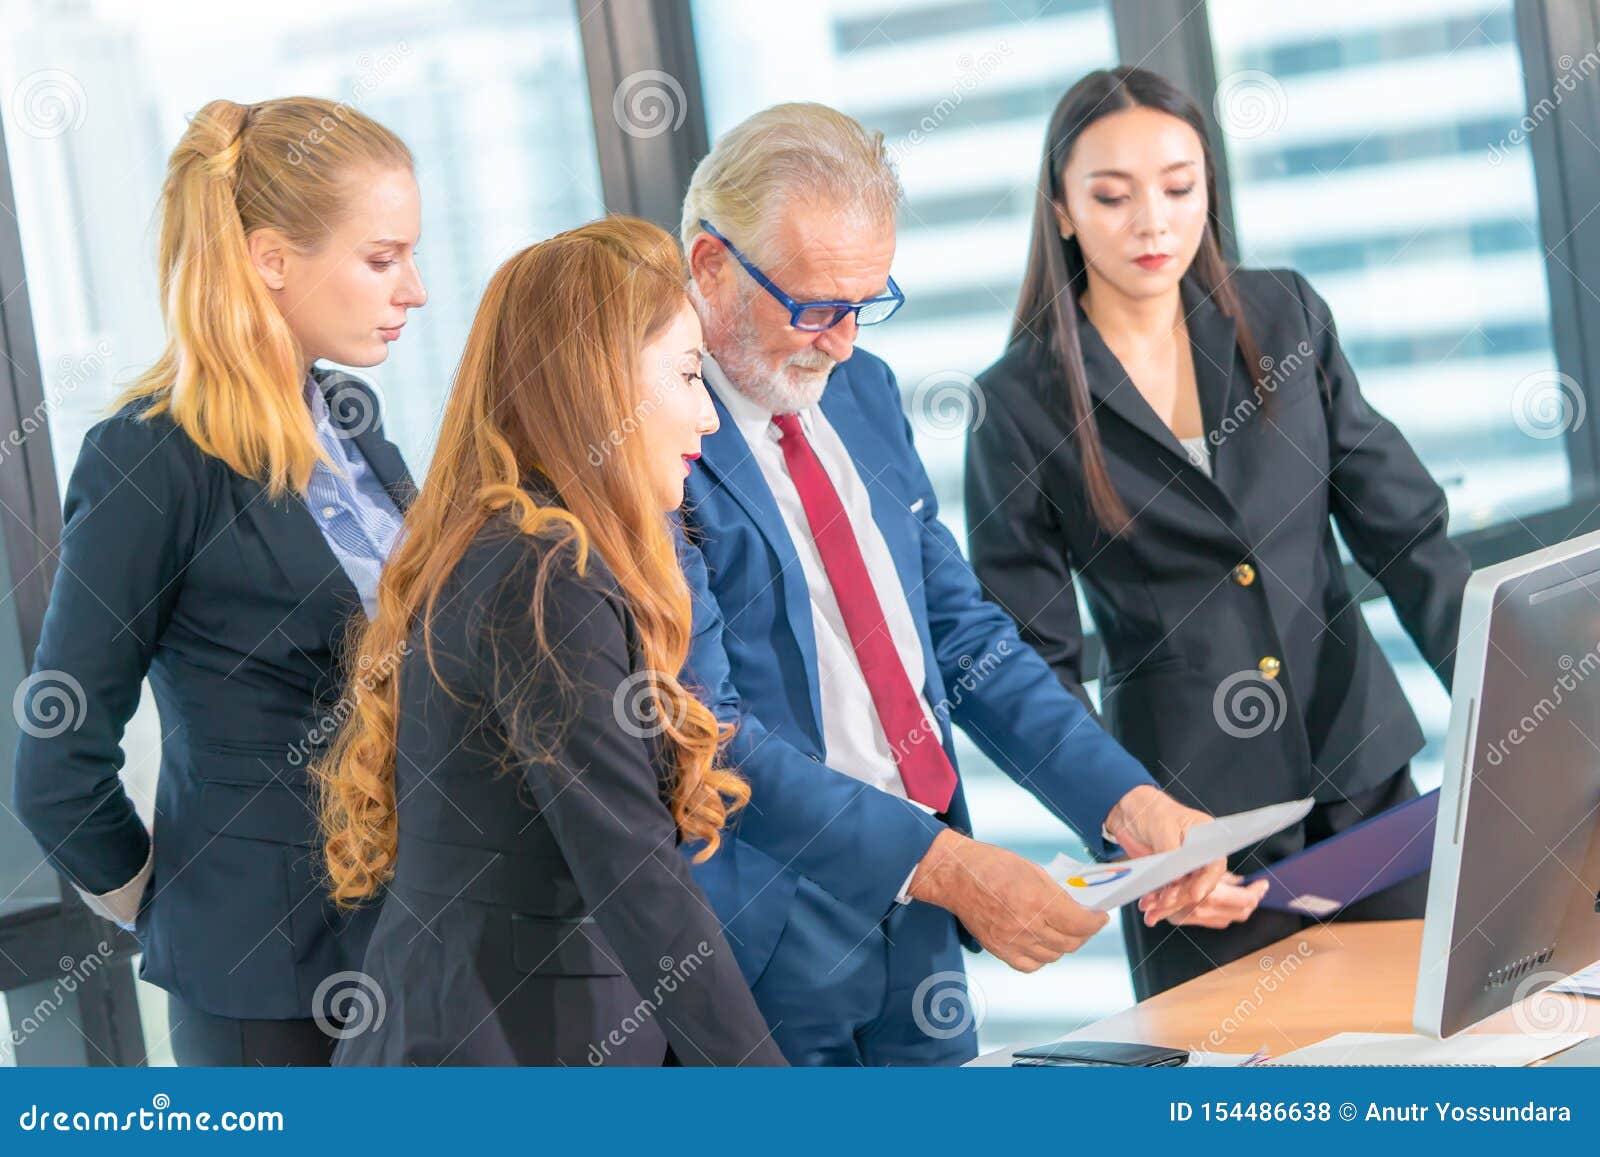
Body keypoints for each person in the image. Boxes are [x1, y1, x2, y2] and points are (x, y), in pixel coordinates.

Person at [675, 102, 1227, 1067]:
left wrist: (1124, 800)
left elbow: (964, 633)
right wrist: (941, 865)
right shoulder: (657, 437)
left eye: (866, 302)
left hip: (920, 920)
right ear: (709, 264)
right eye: (812, 305)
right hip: (761, 932)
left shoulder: (863, 388)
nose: (840, 341)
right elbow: (708, 726)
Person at [966, 67, 1470, 999]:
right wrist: (1135, 831)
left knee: (1424, 1066)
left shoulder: (1283, 314)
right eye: (1112, 196)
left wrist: (1516, 720)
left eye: (1179, 186)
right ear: (1063, 211)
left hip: (1364, 784)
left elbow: (1409, 536)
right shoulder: (1017, 404)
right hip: (1196, 846)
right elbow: (1028, 660)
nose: (1152, 222)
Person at [11, 97, 426, 1064]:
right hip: (265, 987)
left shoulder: (355, 424)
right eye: (382, 259)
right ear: (272, 259)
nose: (413, 289)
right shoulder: (149, 455)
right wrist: (176, 903)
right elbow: (56, 765)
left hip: (406, 952)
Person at [318, 216, 786, 1068]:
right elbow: (635, 875)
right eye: (686, 375)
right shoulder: (546, 577)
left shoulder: (517, 546)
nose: (708, 415)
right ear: (600, 386)